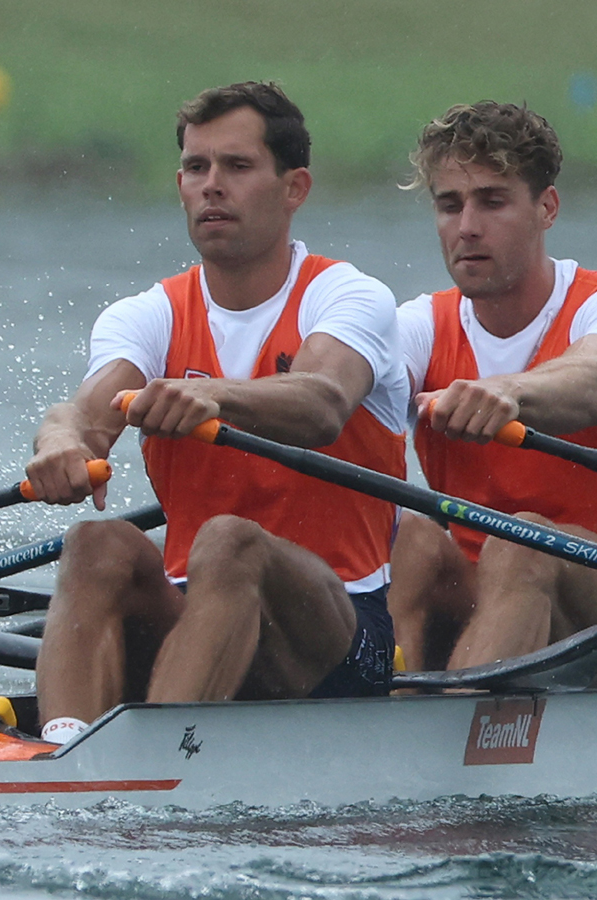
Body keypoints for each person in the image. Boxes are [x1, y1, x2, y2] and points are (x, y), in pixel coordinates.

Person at [24, 82, 409, 743]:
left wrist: (214, 396)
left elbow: (321, 403)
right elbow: (84, 418)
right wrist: (60, 443)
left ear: (294, 188)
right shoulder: (147, 315)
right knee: (95, 543)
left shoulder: (347, 298)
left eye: (237, 166)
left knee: (231, 541)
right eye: (196, 168)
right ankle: (64, 751)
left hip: (338, 633)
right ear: (180, 186)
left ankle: (160, 763)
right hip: (194, 613)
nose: (212, 186)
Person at [390, 101, 597, 685]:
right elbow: (351, 389)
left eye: (492, 202)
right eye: (449, 205)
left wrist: (509, 392)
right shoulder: (417, 325)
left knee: (523, 541)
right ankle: (386, 709)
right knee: (413, 537)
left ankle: (447, 726)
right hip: (480, 596)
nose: (467, 226)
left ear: (546, 208)